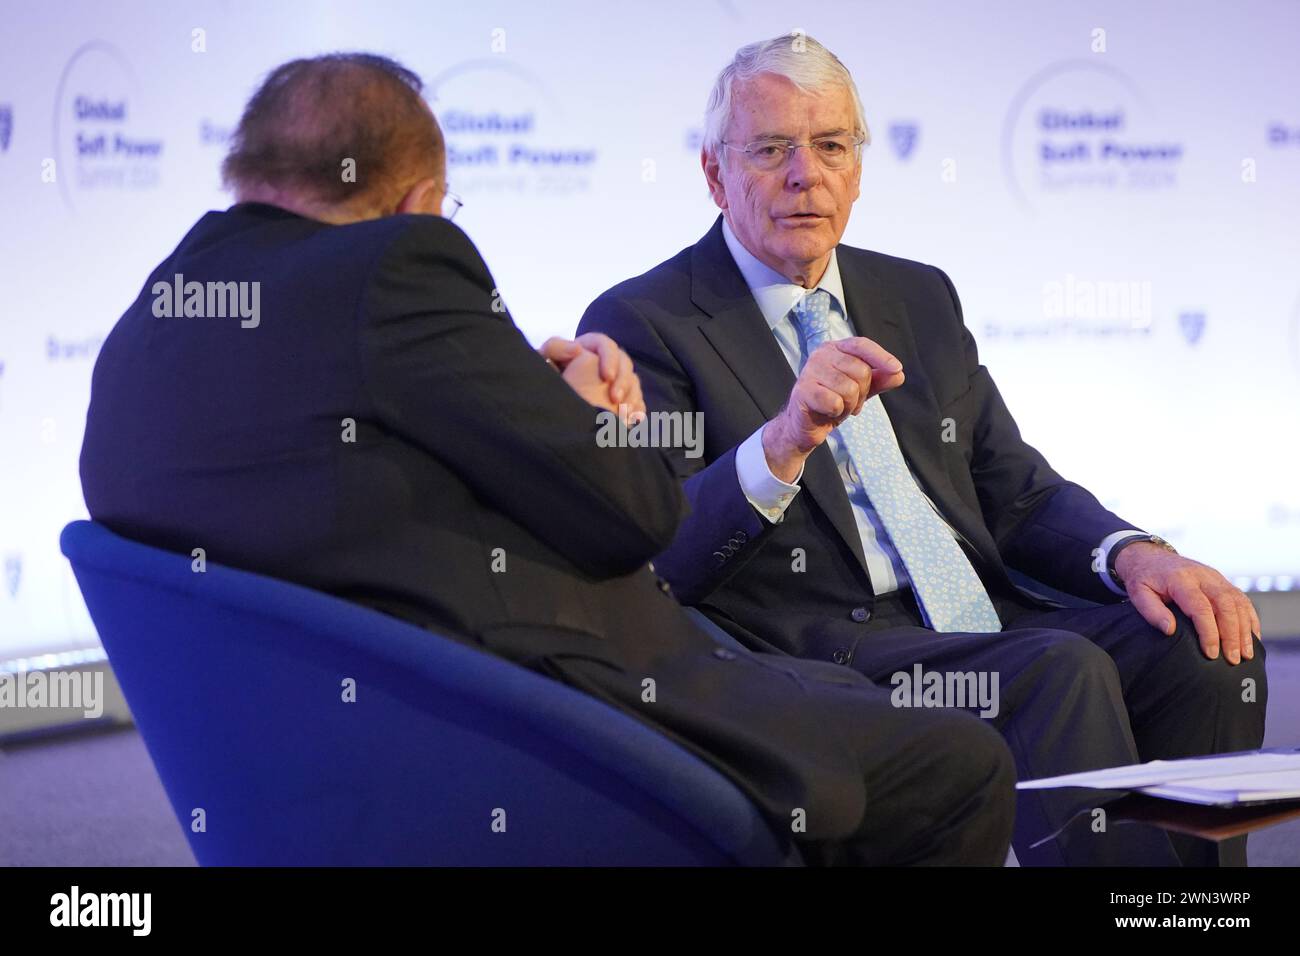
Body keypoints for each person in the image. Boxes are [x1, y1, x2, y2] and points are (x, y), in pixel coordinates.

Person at [78, 52, 1017, 866]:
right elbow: (639, 516)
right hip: (550, 730)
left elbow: (349, 484)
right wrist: (592, 417)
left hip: (317, 774)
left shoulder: (152, 321)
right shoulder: (403, 264)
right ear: (417, 200)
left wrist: (519, 411)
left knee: (842, 691)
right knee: (956, 766)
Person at [578, 34, 1267, 866]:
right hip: (819, 650)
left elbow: (1013, 488)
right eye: (771, 150)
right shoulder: (644, 322)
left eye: (831, 146)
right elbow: (663, 555)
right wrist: (783, 442)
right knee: (1060, 668)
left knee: (1204, 643)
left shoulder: (918, 294)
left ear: (859, 171)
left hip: (982, 622)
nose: (806, 174)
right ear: (715, 175)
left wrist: (1132, 554)